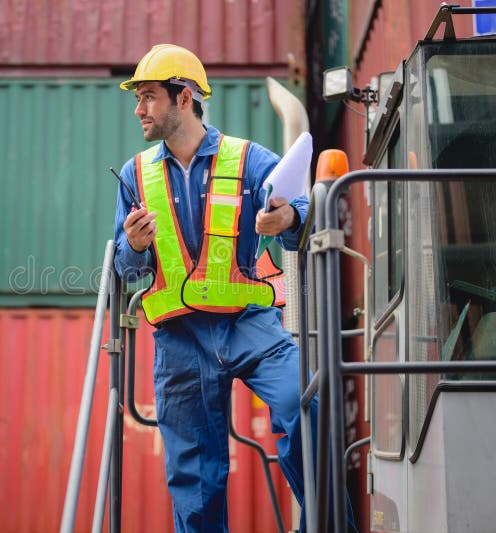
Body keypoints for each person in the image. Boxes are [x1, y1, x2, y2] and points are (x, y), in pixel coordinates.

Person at [113, 43, 355, 533]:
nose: (139, 109)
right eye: (138, 98)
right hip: (180, 342)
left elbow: (301, 218)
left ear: (183, 99)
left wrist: (286, 216)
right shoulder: (134, 175)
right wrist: (134, 248)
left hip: (249, 326)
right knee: (195, 484)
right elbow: (124, 268)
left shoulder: (248, 159)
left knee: (300, 405)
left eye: (149, 97)